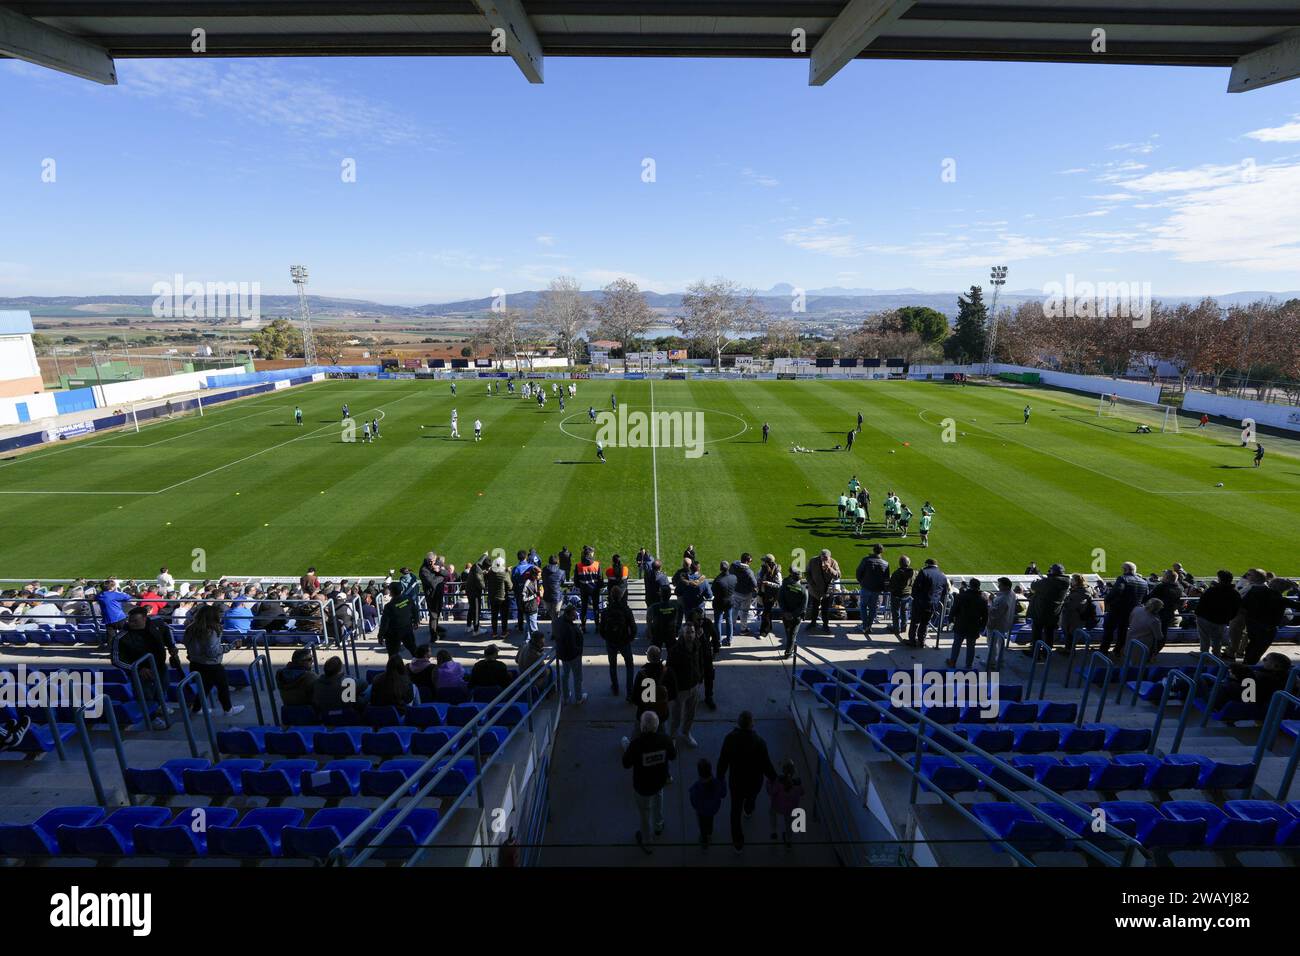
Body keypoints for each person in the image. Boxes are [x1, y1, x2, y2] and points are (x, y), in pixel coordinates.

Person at [112, 605, 182, 729]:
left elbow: (167, 631)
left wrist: (171, 646)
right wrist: (137, 669)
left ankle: (159, 705)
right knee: (145, 695)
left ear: (144, 619)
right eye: (130, 620)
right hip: (140, 672)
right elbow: (116, 660)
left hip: (159, 665)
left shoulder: (156, 624)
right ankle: (152, 718)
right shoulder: (122, 637)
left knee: (163, 685)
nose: (131, 623)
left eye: (135, 621)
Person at [717, 711, 777, 852]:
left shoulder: (730, 739)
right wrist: (774, 778)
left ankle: (738, 841)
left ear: (738, 723)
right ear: (752, 724)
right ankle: (749, 810)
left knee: (735, 811)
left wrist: (720, 777)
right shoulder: (760, 742)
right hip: (754, 781)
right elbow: (766, 765)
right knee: (751, 797)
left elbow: (723, 761)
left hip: (736, 782)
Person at [620, 711, 677, 854]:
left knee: (645, 814)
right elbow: (673, 755)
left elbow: (626, 764)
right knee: (659, 801)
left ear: (642, 727)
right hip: (659, 781)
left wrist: (627, 749)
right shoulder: (665, 740)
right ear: (657, 726)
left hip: (642, 786)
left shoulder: (636, 745)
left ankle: (647, 840)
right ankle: (658, 825)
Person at [183, 604, 243, 717]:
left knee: (205, 687)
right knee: (222, 687)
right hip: (211, 665)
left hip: (195, 663)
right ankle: (228, 709)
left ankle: (196, 708)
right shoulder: (211, 631)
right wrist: (231, 646)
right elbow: (212, 652)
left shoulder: (190, 628)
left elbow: (186, 643)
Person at [667, 621, 708, 747]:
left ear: (695, 633)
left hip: (694, 685)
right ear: (682, 634)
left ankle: (686, 732)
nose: (690, 635)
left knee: (691, 713)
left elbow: (701, 661)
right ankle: (672, 736)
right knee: (676, 715)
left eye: (692, 632)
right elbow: (670, 670)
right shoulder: (675, 650)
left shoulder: (698, 645)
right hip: (681, 689)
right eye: (687, 632)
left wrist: (700, 676)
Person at [1100, 562, 1148, 656]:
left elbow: (1116, 591)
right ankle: (1118, 650)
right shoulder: (1143, 582)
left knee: (1109, 629)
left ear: (1125, 570)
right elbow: (1146, 597)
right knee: (1123, 631)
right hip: (1132, 611)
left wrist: (1108, 600)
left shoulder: (1123, 578)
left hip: (1118, 609)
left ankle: (1104, 649)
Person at [600, 584, 638, 700]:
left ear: (611, 596)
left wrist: (607, 638)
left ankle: (615, 688)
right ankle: (629, 692)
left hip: (611, 641)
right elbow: (633, 627)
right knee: (629, 666)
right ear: (621, 596)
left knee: (612, 665)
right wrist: (630, 638)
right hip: (624, 641)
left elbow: (601, 629)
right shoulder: (626, 610)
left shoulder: (606, 611)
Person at [1241, 571, 1287, 664]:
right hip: (1267, 629)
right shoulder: (1280, 599)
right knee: (1257, 651)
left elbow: (1244, 605)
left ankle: (1246, 666)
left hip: (1253, 625)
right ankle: (1248, 667)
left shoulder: (1256, 590)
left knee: (1252, 647)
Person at [1195, 569, 1241, 656]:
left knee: (1205, 637)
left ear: (1220, 579)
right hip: (1221, 620)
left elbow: (1202, 603)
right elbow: (1236, 608)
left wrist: (1198, 614)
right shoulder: (1235, 593)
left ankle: (1204, 653)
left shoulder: (1212, 590)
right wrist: (1228, 618)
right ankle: (1216, 653)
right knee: (1217, 638)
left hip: (1205, 618)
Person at [946, 579, 989, 669]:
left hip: (960, 624)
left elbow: (954, 609)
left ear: (970, 585)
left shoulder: (961, 596)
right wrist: (981, 626)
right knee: (971, 647)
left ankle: (952, 662)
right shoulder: (983, 599)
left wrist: (950, 620)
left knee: (956, 644)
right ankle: (968, 665)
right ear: (978, 586)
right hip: (974, 626)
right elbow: (985, 616)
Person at [1027, 563, 1070, 648]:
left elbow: (1034, 585)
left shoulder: (1049, 581)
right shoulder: (1066, 582)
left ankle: (1035, 652)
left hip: (1041, 611)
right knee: (1049, 633)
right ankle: (1047, 653)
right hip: (1054, 612)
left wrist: (1040, 581)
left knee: (1037, 632)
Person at [908, 558, 948, 647]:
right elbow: (944, 592)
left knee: (915, 621)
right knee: (925, 623)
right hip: (933, 604)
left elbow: (915, 587)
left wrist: (915, 598)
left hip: (920, 602)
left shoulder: (924, 572)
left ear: (927, 564)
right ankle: (921, 641)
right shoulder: (942, 575)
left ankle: (912, 640)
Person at [553, 602, 587, 704]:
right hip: (573, 656)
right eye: (573, 615)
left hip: (563, 654)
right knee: (577, 677)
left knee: (565, 675)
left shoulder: (558, 622)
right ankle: (578, 698)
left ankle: (566, 696)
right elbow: (572, 644)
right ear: (568, 615)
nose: (575, 616)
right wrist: (579, 651)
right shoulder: (570, 628)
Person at [690, 758, 727, 850]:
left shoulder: (696, 787)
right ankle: (710, 832)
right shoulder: (717, 783)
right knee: (710, 820)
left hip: (701, 811)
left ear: (699, 773)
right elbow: (723, 794)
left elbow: (694, 802)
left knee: (702, 825)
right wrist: (723, 781)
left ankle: (704, 840)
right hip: (713, 809)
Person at [767, 758, 805, 848]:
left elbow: (771, 791)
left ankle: (774, 831)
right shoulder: (797, 784)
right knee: (789, 823)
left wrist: (768, 783)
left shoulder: (778, 782)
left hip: (778, 806)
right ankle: (788, 840)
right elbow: (802, 792)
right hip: (791, 809)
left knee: (772, 812)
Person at [1059, 574, 1099, 653]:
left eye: (1072, 580)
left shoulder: (1080, 592)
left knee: (1070, 634)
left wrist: (1065, 602)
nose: (1071, 581)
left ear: (1077, 581)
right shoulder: (1085, 589)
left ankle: (1069, 651)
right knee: (1071, 634)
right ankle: (1069, 650)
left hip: (1074, 617)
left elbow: (1073, 605)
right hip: (1076, 616)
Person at [378, 581, 419, 657]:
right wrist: (416, 621)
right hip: (407, 629)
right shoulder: (408, 599)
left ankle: (394, 668)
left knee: (393, 655)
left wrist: (380, 635)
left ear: (391, 592)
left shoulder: (389, 606)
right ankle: (421, 665)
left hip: (394, 633)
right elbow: (415, 610)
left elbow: (385, 623)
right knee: (414, 650)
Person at [856, 545, 890, 636]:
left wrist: (862, 582)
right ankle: (868, 626)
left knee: (863, 606)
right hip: (876, 589)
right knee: (873, 607)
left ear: (873, 550)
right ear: (882, 552)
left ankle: (865, 626)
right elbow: (886, 579)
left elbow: (858, 572)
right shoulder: (885, 563)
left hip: (866, 587)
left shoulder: (866, 560)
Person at [806, 549, 840, 632]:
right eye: (823, 557)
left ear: (830, 557)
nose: (824, 559)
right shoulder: (813, 561)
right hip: (815, 590)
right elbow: (807, 573)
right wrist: (811, 583)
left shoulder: (833, 563)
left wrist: (830, 569)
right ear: (820, 556)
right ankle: (813, 623)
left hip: (826, 590)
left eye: (826, 558)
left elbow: (838, 576)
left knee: (825, 609)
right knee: (814, 608)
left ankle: (825, 625)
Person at [986, 577, 1016, 667]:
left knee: (991, 643)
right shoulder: (1012, 594)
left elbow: (994, 613)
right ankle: (1000, 660)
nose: (998, 586)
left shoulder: (1003, 599)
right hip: (1005, 622)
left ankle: (991, 662)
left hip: (995, 625)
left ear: (1006, 586)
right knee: (1000, 643)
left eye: (1000, 584)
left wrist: (990, 602)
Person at [777, 569, 808, 658]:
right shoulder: (803, 590)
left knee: (788, 632)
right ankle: (788, 653)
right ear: (800, 578)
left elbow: (780, 600)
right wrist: (793, 615)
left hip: (785, 615)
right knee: (792, 634)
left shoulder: (785, 586)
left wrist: (786, 612)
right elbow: (803, 607)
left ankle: (788, 646)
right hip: (796, 617)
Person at [574, 547, 603, 632]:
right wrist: (598, 587)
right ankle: (597, 626)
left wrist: (581, 586)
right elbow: (600, 579)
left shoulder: (578, 565)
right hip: (595, 589)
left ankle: (583, 626)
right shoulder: (597, 564)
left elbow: (576, 581)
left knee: (583, 608)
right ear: (590, 554)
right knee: (596, 608)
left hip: (584, 589)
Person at [731, 554, 758, 634]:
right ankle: (743, 629)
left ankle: (731, 626)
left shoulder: (733, 566)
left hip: (735, 592)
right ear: (747, 561)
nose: (750, 563)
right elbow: (754, 584)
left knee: (734, 610)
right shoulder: (749, 572)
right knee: (744, 612)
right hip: (745, 594)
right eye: (750, 561)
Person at [712, 560, 738, 646]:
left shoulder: (718, 580)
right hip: (729, 602)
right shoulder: (734, 577)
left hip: (719, 602)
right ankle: (729, 639)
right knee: (729, 620)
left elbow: (713, 591)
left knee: (718, 622)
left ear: (720, 568)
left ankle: (718, 640)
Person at [756, 554, 782, 638]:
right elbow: (759, 576)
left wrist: (768, 583)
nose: (763, 562)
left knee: (765, 614)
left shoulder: (777, 571)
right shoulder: (763, 568)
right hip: (764, 593)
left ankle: (764, 631)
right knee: (768, 612)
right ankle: (769, 627)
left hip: (771, 595)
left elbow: (779, 585)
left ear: (768, 562)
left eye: (764, 561)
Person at [889, 555, 915, 639]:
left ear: (900, 563)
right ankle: (903, 627)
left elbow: (891, 584)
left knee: (896, 612)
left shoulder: (896, 573)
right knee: (904, 611)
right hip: (907, 595)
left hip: (897, 595)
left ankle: (896, 628)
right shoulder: (913, 572)